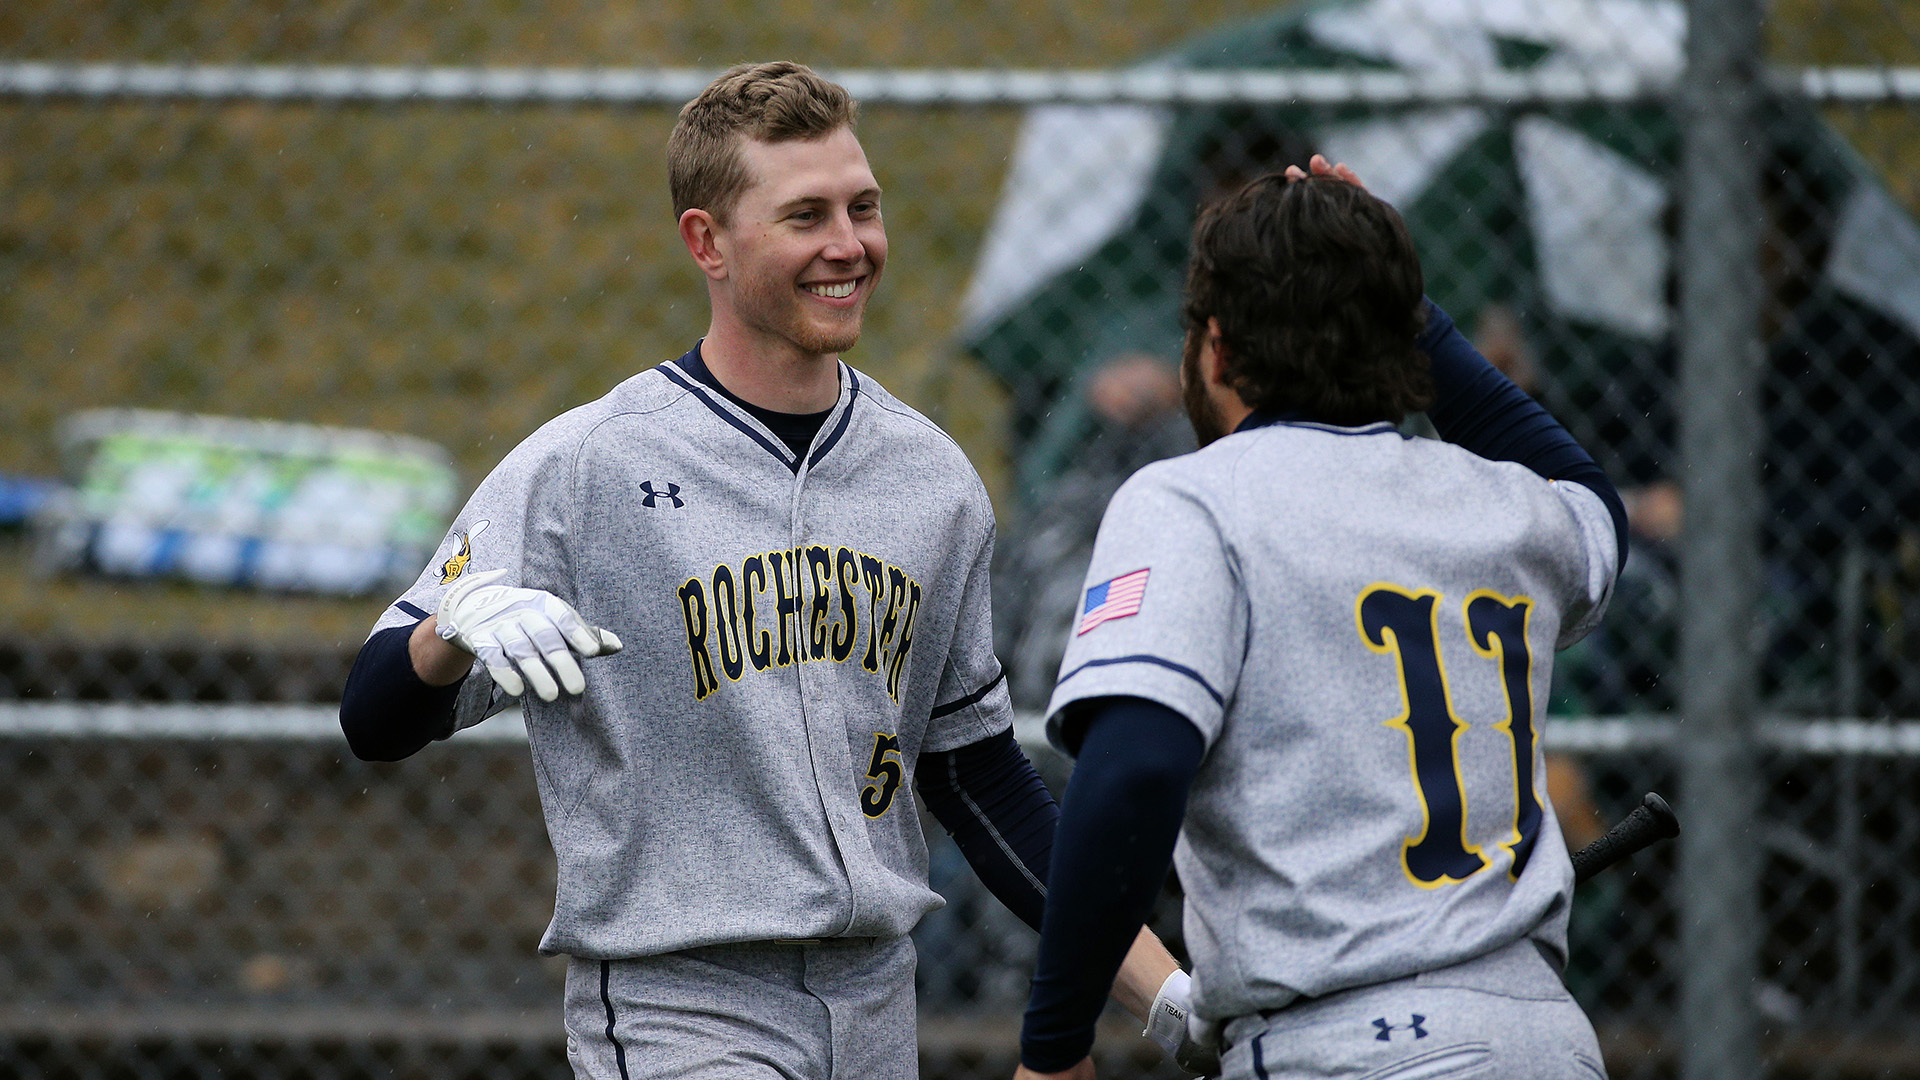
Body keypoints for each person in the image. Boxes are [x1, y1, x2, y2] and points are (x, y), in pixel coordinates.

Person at [338, 62, 1188, 1080]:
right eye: (805, 216)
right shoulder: (587, 466)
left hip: (877, 1006)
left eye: (863, 207)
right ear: (708, 242)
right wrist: (449, 631)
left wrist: (1161, 988)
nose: (849, 244)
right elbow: (373, 718)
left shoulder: (933, 480)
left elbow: (977, 779)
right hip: (679, 1011)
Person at [1011, 158, 1629, 1079]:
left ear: (1217, 350)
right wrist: (1405, 309)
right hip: (1539, 1039)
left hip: (1340, 1047)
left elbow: (1133, 770)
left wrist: (1055, 1045)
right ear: (1405, 346)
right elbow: (1592, 499)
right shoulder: (1507, 503)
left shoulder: (1192, 498)